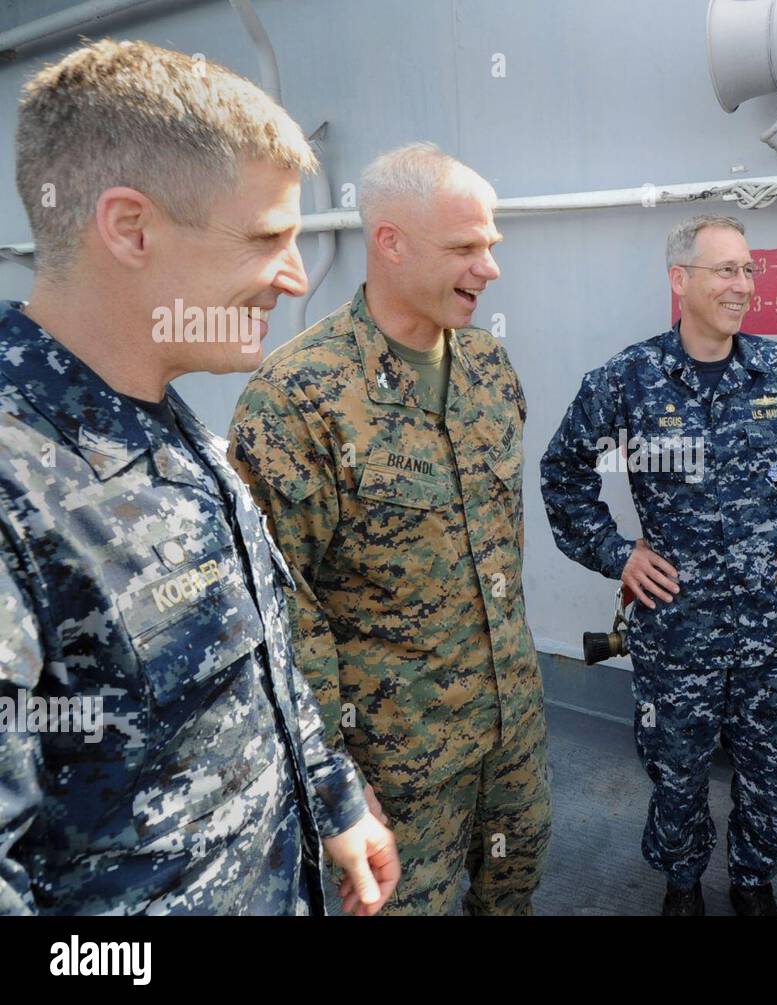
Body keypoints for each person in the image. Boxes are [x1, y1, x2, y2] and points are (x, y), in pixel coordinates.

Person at [0, 39, 397, 915]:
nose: (296, 277)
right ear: (131, 228)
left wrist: (331, 802)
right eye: (267, 238)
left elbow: (254, 653)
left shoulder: (169, 420)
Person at [228, 143, 549, 915]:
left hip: (513, 733)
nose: (489, 268)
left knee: (514, 891)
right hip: (397, 763)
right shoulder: (298, 397)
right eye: (465, 248)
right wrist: (333, 772)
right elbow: (280, 603)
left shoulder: (489, 367)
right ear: (391, 242)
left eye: (491, 246)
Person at [540, 215, 777, 916]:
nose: (743, 285)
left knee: (772, 762)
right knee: (676, 768)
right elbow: (563, 472)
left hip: (769, 621)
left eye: (749, 270)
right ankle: (682, 885)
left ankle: (753, 881)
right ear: (680, 279)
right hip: (675, 626)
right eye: (726, 270)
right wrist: (617, 553)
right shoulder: (629, 379)